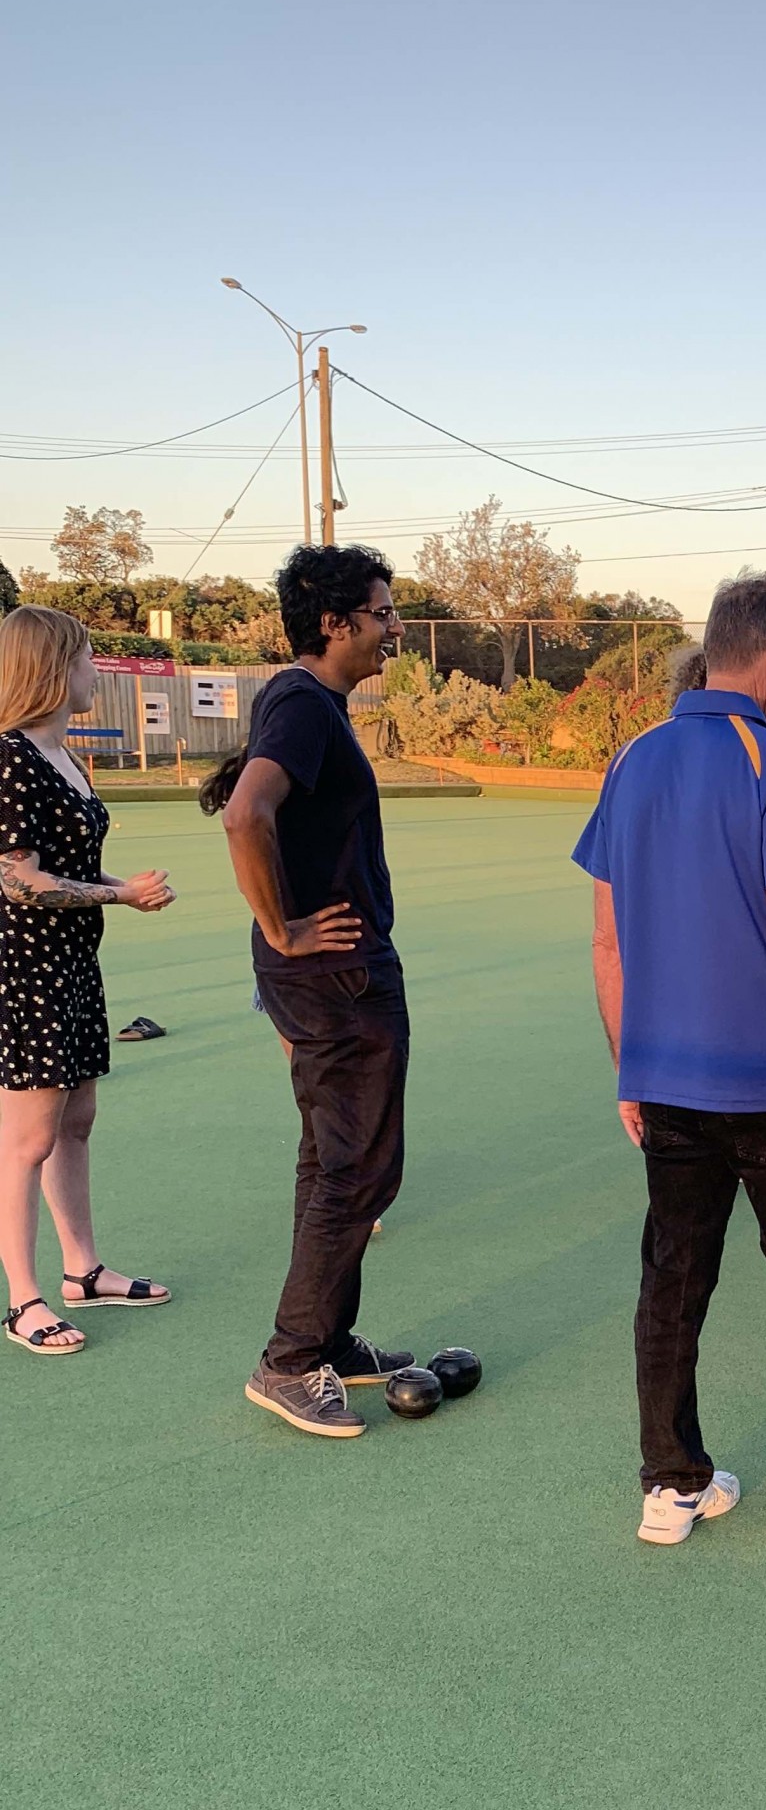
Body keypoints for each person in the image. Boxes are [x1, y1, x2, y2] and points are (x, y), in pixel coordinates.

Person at [574, 570, 766, 1546]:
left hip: (666, 1078)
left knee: (672, 1282)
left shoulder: (633, 759)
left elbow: (608, 943)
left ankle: (671, 1487)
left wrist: (629, 1066)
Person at [220, 546, 413, 1438]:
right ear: (334, 623)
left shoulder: (305, 701)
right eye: (381, 613)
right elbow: (244, 814)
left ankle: (325, 1338)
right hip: (334, 976)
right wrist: (283, 928)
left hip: (331, 973)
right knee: (359, 1166)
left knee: (331, 1158)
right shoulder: (302, 704)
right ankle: (291, 1361)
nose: (393, 628)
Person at [1, 606, 175, 1355]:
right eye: (85, 657)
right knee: (28, 1139)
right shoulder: (10, 758)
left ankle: (83, 1271)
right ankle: (24, 1301)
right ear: (51, 668)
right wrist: (119, 895)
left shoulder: (62, 756)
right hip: (25, 971)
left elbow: (67, 867)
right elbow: (21, 882)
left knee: (76, 1122)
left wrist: (121, 888)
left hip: (73, 963)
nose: (95, 670)